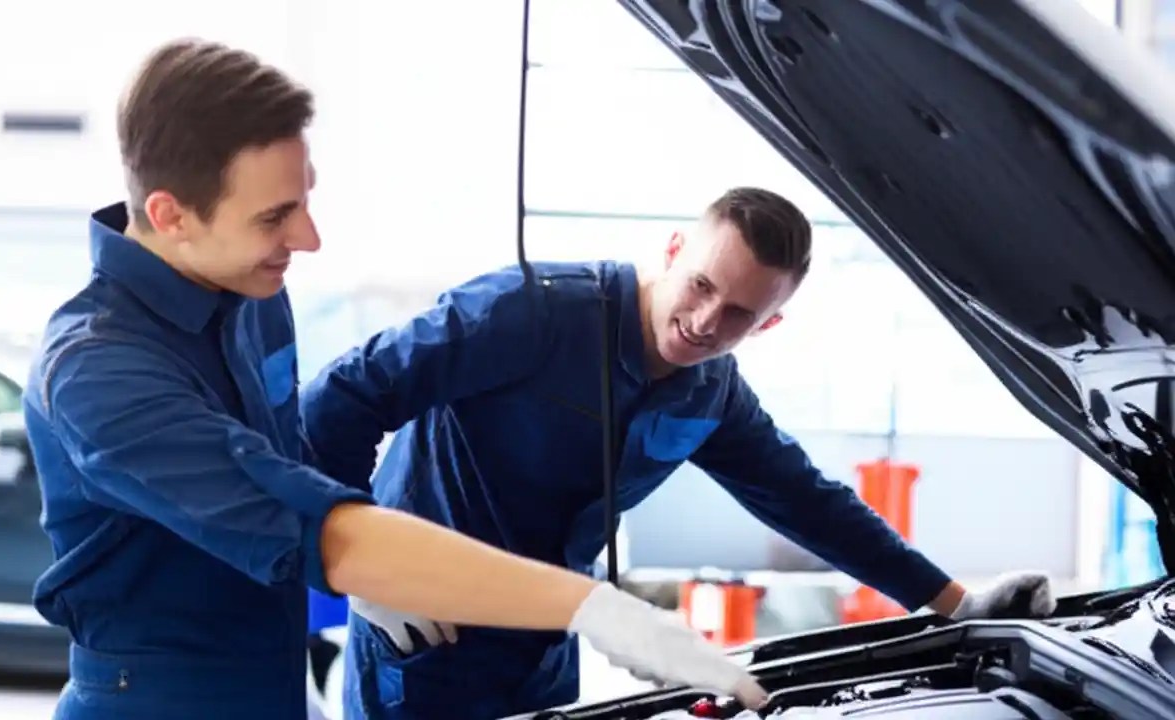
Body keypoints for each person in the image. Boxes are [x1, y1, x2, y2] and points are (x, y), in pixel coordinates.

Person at [20, 39, 767, 720]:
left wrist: (359, 579)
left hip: (276, 685)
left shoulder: (248, 293)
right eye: (276, 215)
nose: (308, 237)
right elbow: (313, 527)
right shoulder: (98, 373)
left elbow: (290, 465)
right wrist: (596, 609)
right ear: (170, 215)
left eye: (306, 197)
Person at [300, 186, 1058, 719]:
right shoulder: (528, 311)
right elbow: (339, 400)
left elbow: (810, 504)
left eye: (737, 314)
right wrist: (364, 564)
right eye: (698, 285)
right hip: (425, 640)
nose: (703, 321)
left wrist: (957, 603)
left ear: (769, 325)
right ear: (671, 249)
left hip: (546, 654)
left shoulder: (712, 394)